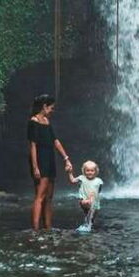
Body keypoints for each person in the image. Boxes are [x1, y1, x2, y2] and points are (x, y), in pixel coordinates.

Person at [27, 94, 72, 230]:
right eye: (51, 108)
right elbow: (33, 145)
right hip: (40, 159)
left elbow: (55, 141)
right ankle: (35, 229)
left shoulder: (47, 121)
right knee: (40, 195)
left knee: (49, 197)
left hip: (49, 158)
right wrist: (35, 167)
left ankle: (48, 227)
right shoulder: (33, 122)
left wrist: (66, 158)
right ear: (44, 107)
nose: (53, 110)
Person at [67, 160, 103, 225]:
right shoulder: (82, 178)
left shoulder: (99, 181)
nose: (90, 172)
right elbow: (72, 181)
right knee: (88, 202)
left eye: (92, 171)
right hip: (84, 200)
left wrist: (96, 195)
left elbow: (99, 190)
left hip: (95, 202)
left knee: (90, 218)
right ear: (84, 171)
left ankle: (88, 226)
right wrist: (70, 173)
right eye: (88, 170)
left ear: (95, 171)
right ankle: (89, 201)